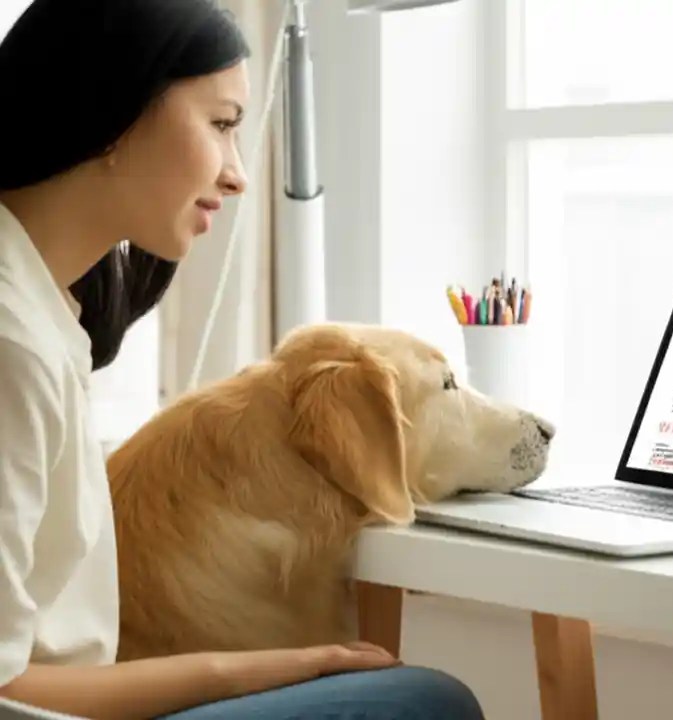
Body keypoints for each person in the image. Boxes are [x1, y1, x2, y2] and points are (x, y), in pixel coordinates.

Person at [0, 1, 484, 718]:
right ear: (116, 109)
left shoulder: (40, 311)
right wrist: (246, 671)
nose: (237, 175)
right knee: (425, 703)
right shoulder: (14, 343)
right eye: (222, 124)